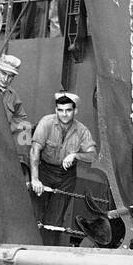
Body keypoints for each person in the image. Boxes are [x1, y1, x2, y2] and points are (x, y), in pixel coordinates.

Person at [29, 92, 96, 239]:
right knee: (34, 214)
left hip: (66, 177)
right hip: (45, 171)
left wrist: (75, 155)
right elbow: (35, 150)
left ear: (75, 111)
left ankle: (46, 255)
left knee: (55, 220)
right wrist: (35, 179)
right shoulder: (46, 123)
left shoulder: (82, 131)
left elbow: (92, 155)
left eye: (68, 110)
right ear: (56, 110)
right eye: (60, 110)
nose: (64, 114)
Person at [0, 53, 32, 153]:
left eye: (10, 76)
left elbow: (22, 118)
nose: (6, 79)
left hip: (1, 142)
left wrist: (8, 128)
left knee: (26, 127)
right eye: (3, 73)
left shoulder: (12, 95)